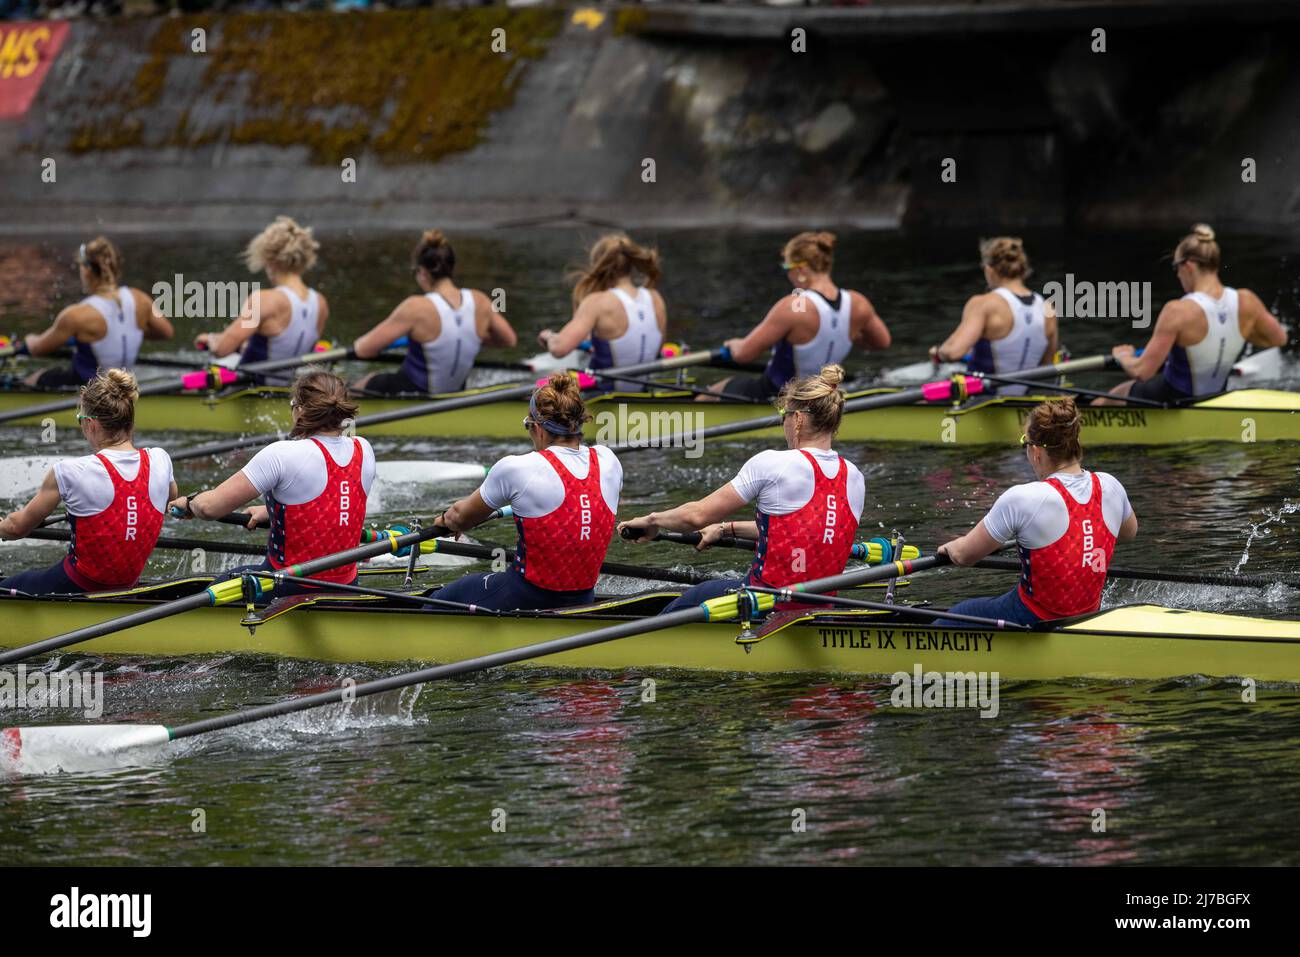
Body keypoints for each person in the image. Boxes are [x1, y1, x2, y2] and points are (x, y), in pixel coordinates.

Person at [622, 365, 864, 612]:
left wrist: (653, 520)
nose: (784, 423)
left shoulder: (775, 463)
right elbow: (803, 533)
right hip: (823, 607)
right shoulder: (854, 477)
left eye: (784, 414)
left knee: (677, 607)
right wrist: (726, 529)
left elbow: (696, 516)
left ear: (798, 418)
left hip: (766, 602)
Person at [168, 371, 375, 597]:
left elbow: (209, 508)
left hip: (287, 588)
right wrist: (275, 511)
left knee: (213, 589)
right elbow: (335, 503)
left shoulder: (282, 454)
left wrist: (189, 502)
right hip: (347, 587)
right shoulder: (363, 449)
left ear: (299, 410)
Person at [935, 398, 1138, 627]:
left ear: (1035, 451)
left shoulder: (1023, 498)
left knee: (956, 615)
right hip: (1088, 612)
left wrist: (950, 547)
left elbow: (964, 556)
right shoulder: (1111, 485)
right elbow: (1128, 533)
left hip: (1036, 616)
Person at [431, 373, 622, 610]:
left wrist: (443, 521)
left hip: (525, 596)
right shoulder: (609, 461)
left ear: (539, 427)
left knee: (438, 600)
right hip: (583, 598)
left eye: (528, 426)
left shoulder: (518, 467)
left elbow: (460, 517)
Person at [0, 370, 175, 594]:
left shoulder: (70, 471)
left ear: (91, 424)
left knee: (12, 584)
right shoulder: (160, 459)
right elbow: (169, 500)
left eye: (80, 420)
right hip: (128, 583)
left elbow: (16, 528)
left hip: (79, 583)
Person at [1099, 224, 1287, 405]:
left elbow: (1142, 372)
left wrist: (1124, 356)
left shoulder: (1178, 311)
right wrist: (1234, 338)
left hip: (1174, 399)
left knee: (1112, 396)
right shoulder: (1247, 301)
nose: (1178, 275)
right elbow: (1279, 339)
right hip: (1218, 398)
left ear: (1188, 266)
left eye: (1176, 268)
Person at [708, 232, 889, 401]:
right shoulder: (858, 304)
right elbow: (882, 343)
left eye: (787, 267)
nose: (787, 274)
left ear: (801, 270)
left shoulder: (793, 306)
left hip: (778, 396)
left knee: (710, 394)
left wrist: (735, 345)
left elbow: (743, 355)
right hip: (825, 397)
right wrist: (848, 333)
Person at [351, 229, 517, 396]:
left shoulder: (415, 307)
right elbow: (508, 340)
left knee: (370, 380)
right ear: (451, 268)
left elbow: (363, 350)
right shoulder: (480, 301)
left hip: (414, 392)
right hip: (456, 394)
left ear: (422, 272)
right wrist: (468, 337)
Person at [20, 237, 174, 389]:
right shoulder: (141, 299)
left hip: (89, 389)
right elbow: (166, 332)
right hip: (124, 387)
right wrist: (128, 331)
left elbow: (37, 349)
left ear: (87, 270)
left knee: (36, 377)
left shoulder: (75, 315)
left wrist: (29, 339)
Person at [193, 216, 330, 386]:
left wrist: (211, 339)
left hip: (249, 390)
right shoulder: (320, 303)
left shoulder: (264, 300)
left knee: (202, 373)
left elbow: (222, 349)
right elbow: (290, 349)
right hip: (287, 393)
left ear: (269, 260)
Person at [536, 233, 667, 393]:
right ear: (630, 264)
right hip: (641, 397)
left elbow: (559, 349)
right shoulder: (655, 298)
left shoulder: (597, 302)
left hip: (602, 400)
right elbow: (653, 349)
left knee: (548, 383)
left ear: (598, 265)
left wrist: (548, 336)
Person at [929, 237, 1058, 395]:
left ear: (989, 269)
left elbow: (953, 352)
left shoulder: (984, 303)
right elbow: (1046, 365)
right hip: (1022, 403)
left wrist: (938, 353)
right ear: (1023, 271)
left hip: (980, 404)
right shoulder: (1047, 308)